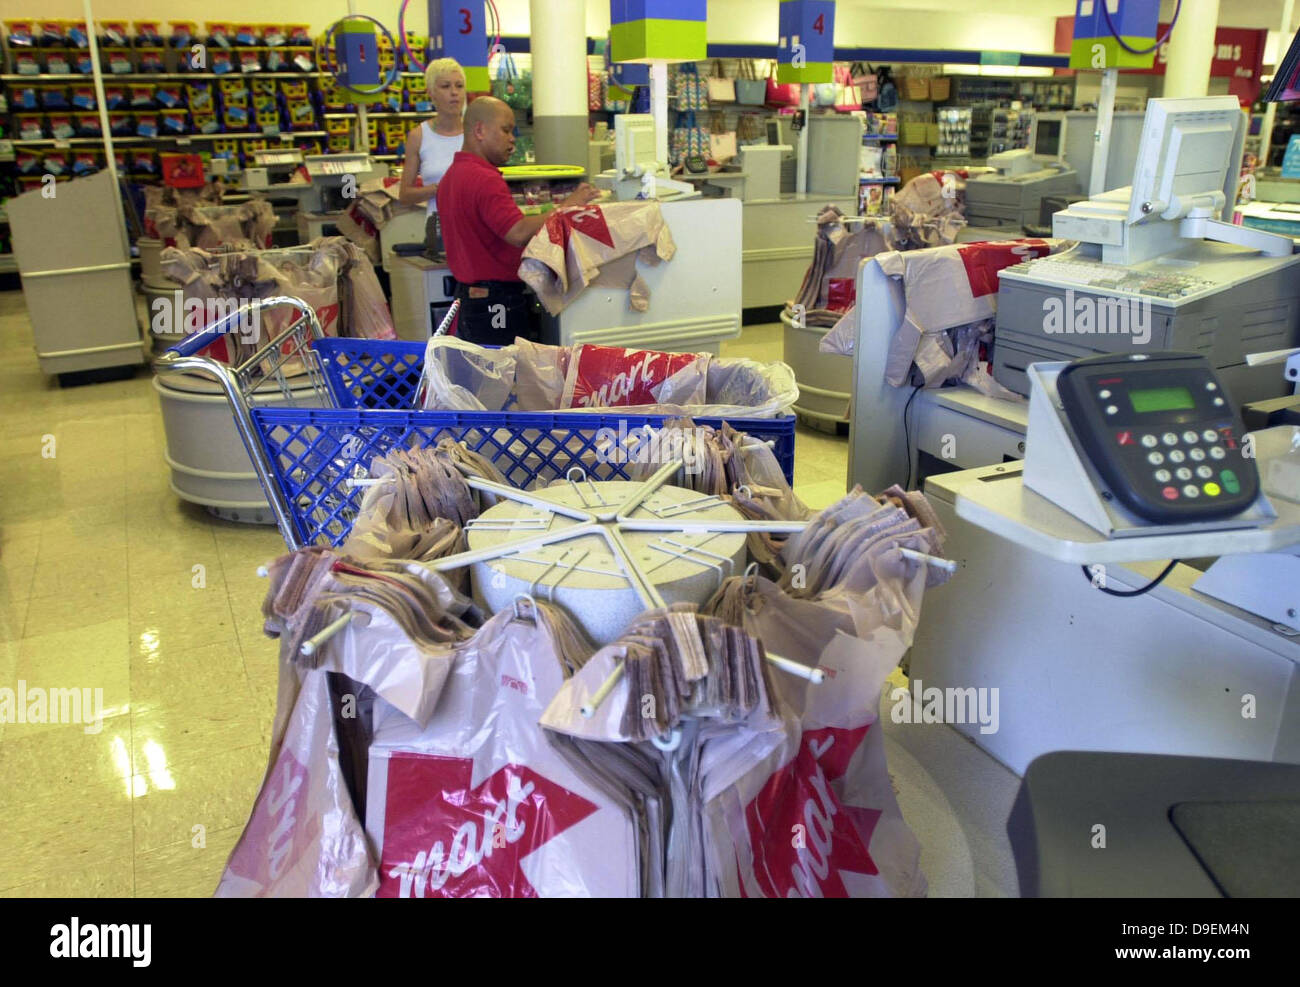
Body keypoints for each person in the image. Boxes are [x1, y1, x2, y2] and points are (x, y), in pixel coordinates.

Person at [438, 96, 601, 345]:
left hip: (470, 300)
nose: (513, 138)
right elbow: (517, 231)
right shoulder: (484, 178)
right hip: (496, 302)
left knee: (483, 376)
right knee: (505, 374)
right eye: (505, 130)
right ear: (479, 130)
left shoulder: (451, 176)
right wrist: (568, 206)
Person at [397, 58, 466, 259]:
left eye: (459, 86)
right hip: (440, 234)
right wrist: (439, 189)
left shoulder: (476, 131)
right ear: (431, 93)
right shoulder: (419, 136)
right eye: (445, 86)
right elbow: (405, 195)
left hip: (475, 230)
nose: (454, 92)